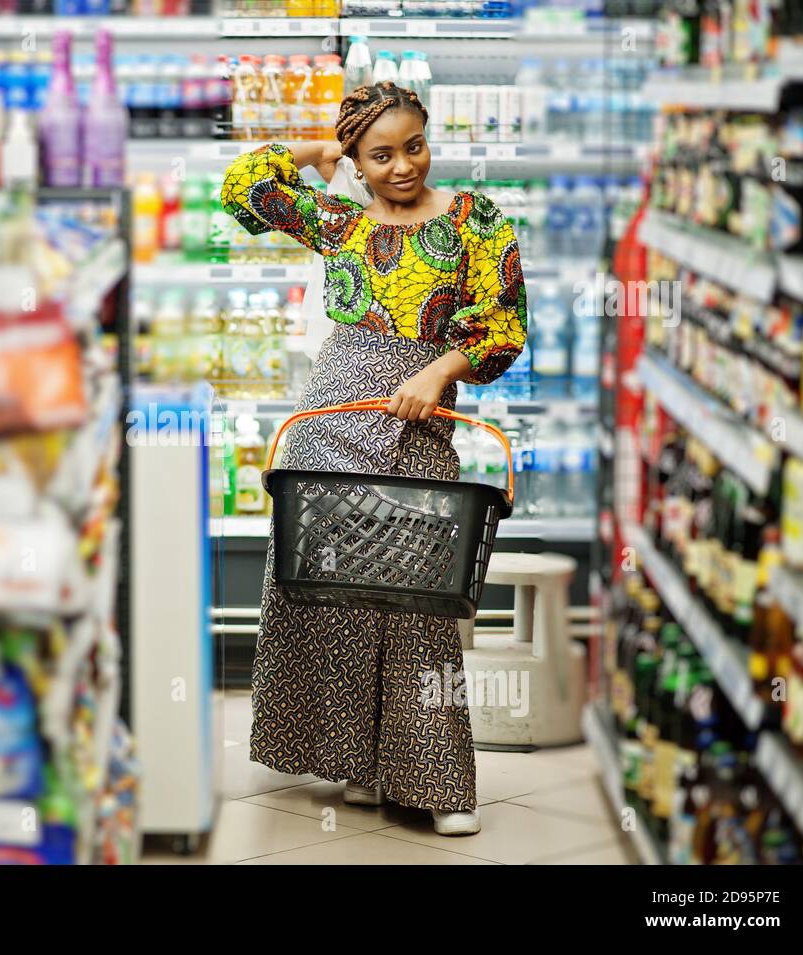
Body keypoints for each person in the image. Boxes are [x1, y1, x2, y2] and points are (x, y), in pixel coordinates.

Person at [221, 82, 527, 836]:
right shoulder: (339, 220)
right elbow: (242, 185)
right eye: (379, 154)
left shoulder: (476, 222)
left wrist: (437, 372)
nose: (402, 167)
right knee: (336, 597)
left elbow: (504, 326)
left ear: (430, 137)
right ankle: (356, 764)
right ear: (356, 160)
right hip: (333, 418)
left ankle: (441, 782)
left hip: (421, 422)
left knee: (420, 597)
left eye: (414, 146)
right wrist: (319, 150)